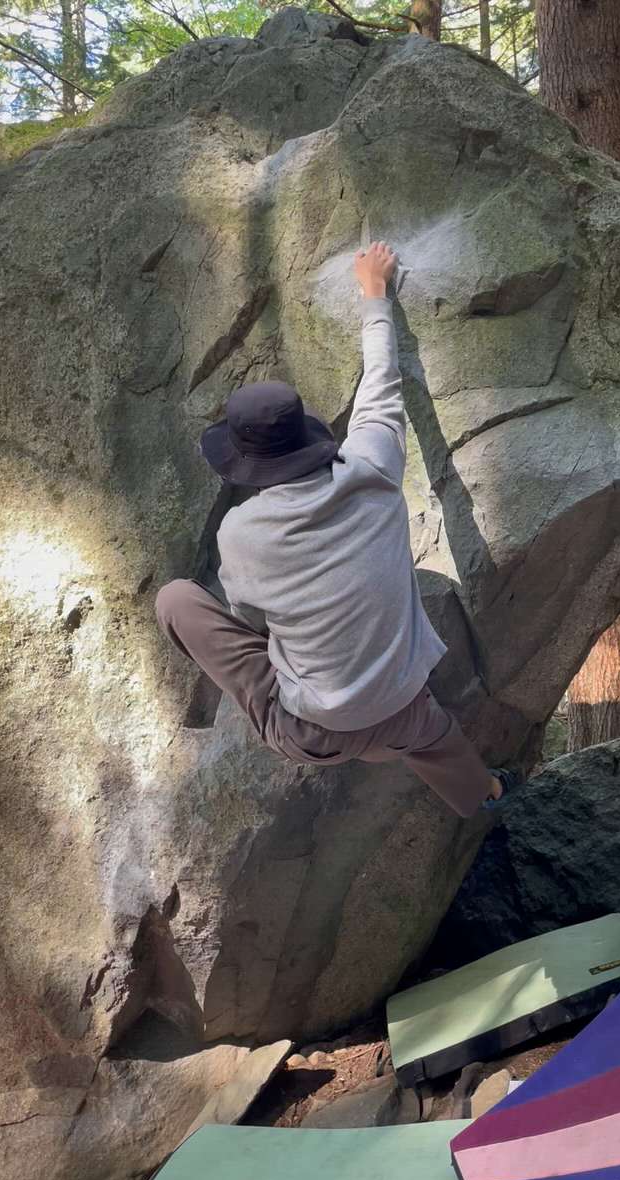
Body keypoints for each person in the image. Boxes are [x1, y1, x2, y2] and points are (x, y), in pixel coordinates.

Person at [156, 242, 519, 816]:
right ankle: (488, 794)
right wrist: (374, 292)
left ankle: (355, 732)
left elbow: (251, 622)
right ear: (305, 433)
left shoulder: (240, 533)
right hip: (406, 710)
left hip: (313, 733)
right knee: (434, 735)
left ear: (244, 464)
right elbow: (382, 386)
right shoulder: (372, 468)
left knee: (176, 599)